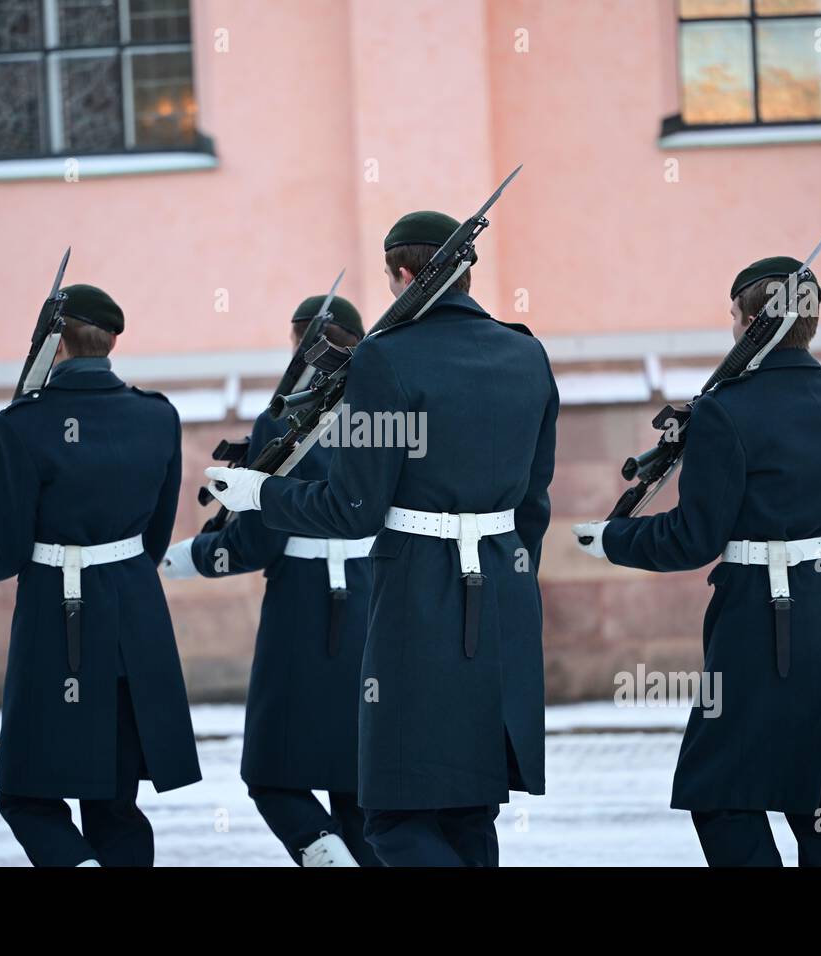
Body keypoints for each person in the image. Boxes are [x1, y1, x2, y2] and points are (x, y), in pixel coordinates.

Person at [205, 212, 559, 866]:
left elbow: (354, 507)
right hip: (504, 593)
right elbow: (534, 500)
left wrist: (261, 494)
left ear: (401, 274)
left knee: (396, 815)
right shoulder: (527, 353)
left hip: (416, 592)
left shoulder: (387, 358)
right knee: (469, 811)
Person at [573, 256, 821, 866]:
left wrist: (612, 539)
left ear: (753, 321)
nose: (730, 326)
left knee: (723, 793)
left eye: (733, 314)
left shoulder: (726, 411)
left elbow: (693, 537)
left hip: (760, 618)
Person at [0, 284, 201, 866]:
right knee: (115, 805)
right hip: (133, 617)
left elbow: (2, 550)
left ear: (54, 345)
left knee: (27, 796)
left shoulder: (20, 426)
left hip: (56, 625)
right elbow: (154, 538)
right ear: (112, 342)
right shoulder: (157, 417)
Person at [162, 294, 380, 867]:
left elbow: (257, 541)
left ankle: (319, 848)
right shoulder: (386, 417)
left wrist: (193, 555)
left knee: (272, 771)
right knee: (358, 778)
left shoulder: (280, 422)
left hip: (301, 606)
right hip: (376, 597)